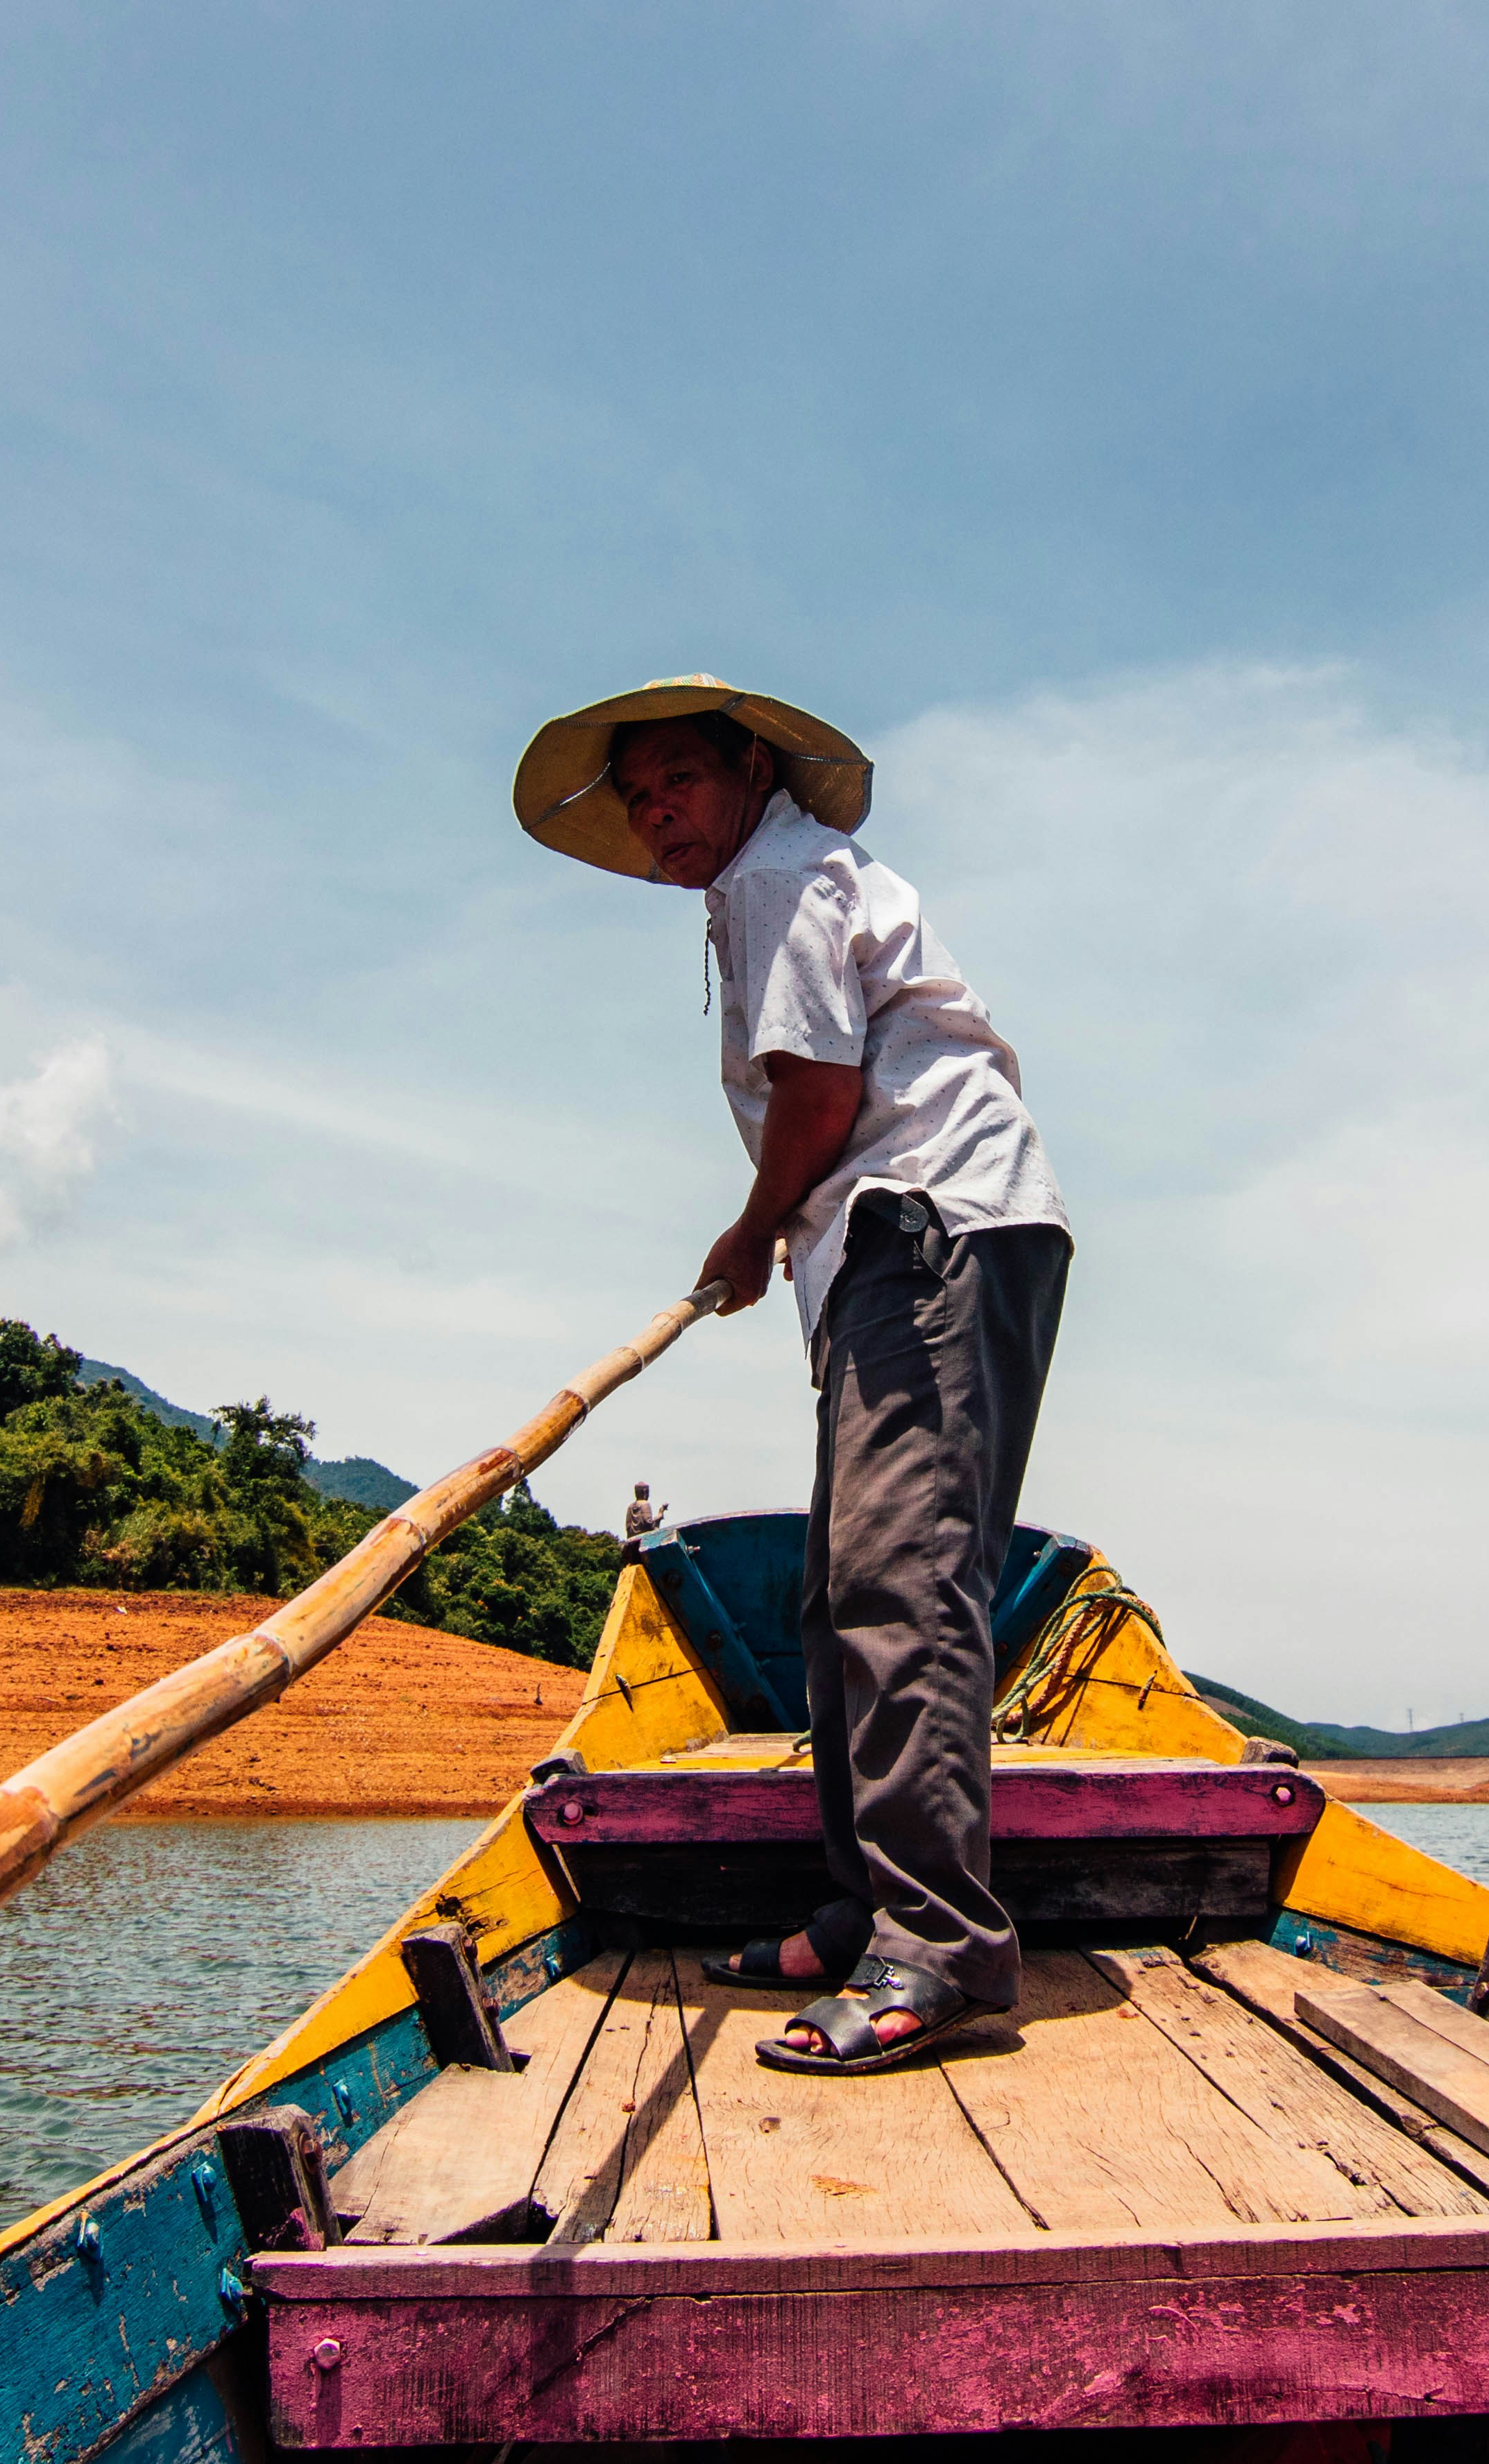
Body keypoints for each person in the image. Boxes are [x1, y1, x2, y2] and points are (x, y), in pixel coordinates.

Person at [513, 675, 1071, 2073]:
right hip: (888, 1249)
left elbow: (820, 1099)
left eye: (680, 782)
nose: (657, 816)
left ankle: (934, 1945)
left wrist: (751, 1232)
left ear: (751, 770)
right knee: (841, 1591)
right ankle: (858, 1904)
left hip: (929, 1227)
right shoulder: (760, 888)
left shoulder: (782, 876)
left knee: (901, 1582)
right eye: (639, 802)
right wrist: (785, 1244)